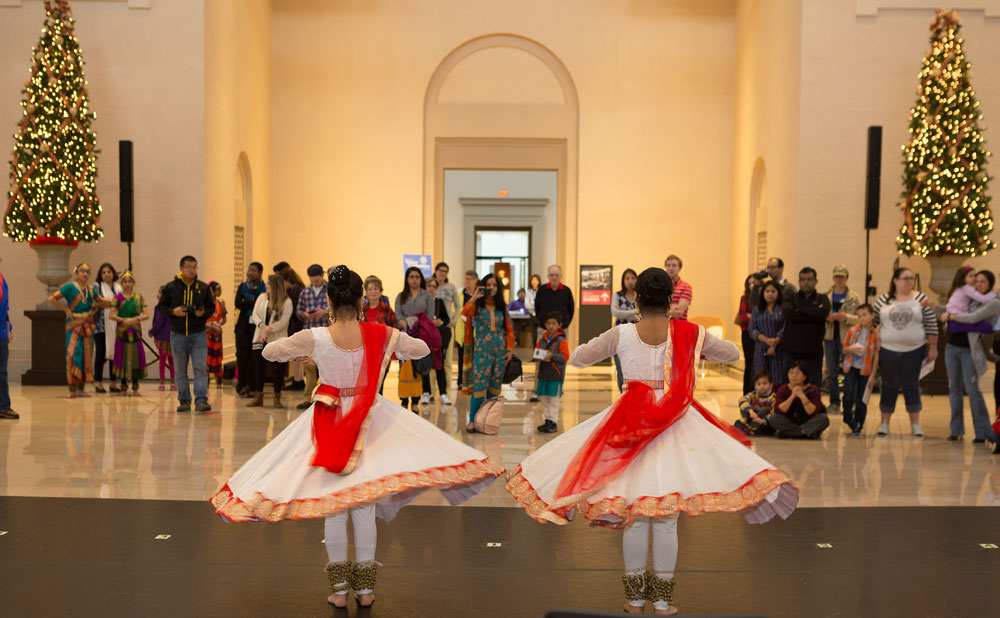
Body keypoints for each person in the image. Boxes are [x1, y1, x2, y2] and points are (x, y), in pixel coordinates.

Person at [506, 267, 797, 616]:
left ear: (637, 299)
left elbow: (580, 357)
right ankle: (662, 603)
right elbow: (734, 354)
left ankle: (634, 601)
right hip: (676, 426)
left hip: (630, 425)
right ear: (671, 299)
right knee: (666, 517)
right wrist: (695, 342)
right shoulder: (690, 333)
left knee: (635, 513)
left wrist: (615, 339)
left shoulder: (623, 333)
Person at [210, 265, 505, 608]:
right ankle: (365, 591)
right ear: (362, 300)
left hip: (329, 422)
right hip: (371, 420)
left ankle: (339, 591)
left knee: (335, 508)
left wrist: (306, 353)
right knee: (363, 507)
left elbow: (268, 352)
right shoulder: (382, 333)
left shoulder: (317, 336)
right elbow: (424, 349)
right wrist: (389, 349)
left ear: (331, 301)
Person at [872, 267, 938, 437]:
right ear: (895, 280)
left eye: (911, 278)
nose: (909, 281)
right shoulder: (883, 300)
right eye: (905, 278)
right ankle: (884, 423)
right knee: (888, 386)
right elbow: (873, 323)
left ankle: (915, 424)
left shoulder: (920, 299)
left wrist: (933, 346)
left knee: (911, 386)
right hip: (888, 350)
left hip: (914, 350)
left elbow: (931, 323)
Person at [940, 270, 1000, 445]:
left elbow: (974, 320)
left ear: (989, 284)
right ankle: (956, 430)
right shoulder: (971, 298)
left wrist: (952, 318)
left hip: (970, 351)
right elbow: (953, 315)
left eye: (982, 281)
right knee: (954, 389)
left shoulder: (993, 302)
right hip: (952, 347)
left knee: (973, 391)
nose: (978, 284)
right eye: (977, 281)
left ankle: (982, 432)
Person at [158, 255, 215, 413]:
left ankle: (201, 400)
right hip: (178, 333)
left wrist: (202, 314)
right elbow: (161, 308)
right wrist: (173, 311)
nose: (191, 270)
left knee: (200, 368)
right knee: (180, 369)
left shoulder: (203, 288)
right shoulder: (171, 287)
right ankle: (184, 400)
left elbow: (211, 308)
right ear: (181, 268)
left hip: (198, 333)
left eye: (194, 267)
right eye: (188, 267)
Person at [462, 273, 515, 432]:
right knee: (479, 385)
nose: (492, 288)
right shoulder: (477, 306)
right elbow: (465, 313)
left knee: (494, 386)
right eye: (489, 285)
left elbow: (509, 330)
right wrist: (474, 297)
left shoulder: (502, 307)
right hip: (481, 351)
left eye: (494, 285)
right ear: (483, 287)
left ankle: (488, 420)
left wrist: (510, 350)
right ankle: (472, 421)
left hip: (499, 352)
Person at [48, 262, 108, 398]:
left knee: (86, 357)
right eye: (82, 271)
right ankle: (72, 390)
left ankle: (81, 389)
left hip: (87, 326)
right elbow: (52, 298)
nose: (85, 274)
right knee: (73, 356)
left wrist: (115, 301)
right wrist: (65, 309)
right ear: (76, 273)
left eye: (88, 271)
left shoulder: (91, 290)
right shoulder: (70, 287)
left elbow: (102, 301)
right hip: (74, 325)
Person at [780, 267, 830, 393]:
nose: (806, 282)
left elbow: (822, 314)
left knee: (813, 386)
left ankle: (812, 411)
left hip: (813, 350)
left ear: (816, 281)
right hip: (791, 349)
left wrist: (799, 310)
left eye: (809, 279)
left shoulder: (822, 299)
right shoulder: (791, 297)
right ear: (799, 281)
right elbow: (788, 315)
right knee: (787, 384)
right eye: (802, 280)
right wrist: (812, 312)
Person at [248, 274, 293, 408]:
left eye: (268, 283)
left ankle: (277, 397)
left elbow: (284, 321)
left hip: (277, 339)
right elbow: (255, 314)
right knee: (259, 368)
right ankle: (258, 397)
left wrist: (269, 330)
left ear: (275, 286)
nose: (266, 285)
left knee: (278, 369)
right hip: (260, 337)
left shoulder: (287, 301)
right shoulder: (262, 297)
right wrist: (263, 327)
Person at [395, 267, 435, 411]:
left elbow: (430, 316)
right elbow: (398, 315)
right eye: (411, 277)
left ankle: (416, 400)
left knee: (419, 368)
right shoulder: (401, 296)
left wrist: (418, 324)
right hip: (404, 336)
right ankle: (404, 400)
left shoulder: (427, 296)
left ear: (421, 279)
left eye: (417, 277)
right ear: (407, 279)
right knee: (404, 369)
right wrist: (403, 322)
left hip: (421, 336)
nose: (414, 279)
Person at [823, 265, 860, 414]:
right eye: (836, 277)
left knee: (849, 371)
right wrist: (827, 318)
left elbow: (860, 318)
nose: (839, 280)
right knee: (831, 372)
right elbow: (820, 315)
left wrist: (846, 318)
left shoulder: (854, 297)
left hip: (847, 339)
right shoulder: (826, 296)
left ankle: (849, 402)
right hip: (830, 337)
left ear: (846, 278)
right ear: (833, 278)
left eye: (842, 277)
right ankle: (834, 402)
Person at [840, 303, 879, 436]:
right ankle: (847, 417)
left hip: (866, 370)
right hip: (851, 367)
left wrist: (873, 375)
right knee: (848, 392)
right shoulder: (853, 331)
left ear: (872, 315)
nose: (862, 318)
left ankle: (858, 424)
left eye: (865, 315)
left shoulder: (876, 334)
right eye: (859, 316)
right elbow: (844, 349)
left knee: (862, 398)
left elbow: (876, 356)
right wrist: (851, 349)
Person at [768, 361, 829, 439]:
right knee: (774, 419)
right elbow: (779, 410)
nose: (793, 376)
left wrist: (802, 396)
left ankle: (790, 433)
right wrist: (792, 396)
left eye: (797, 373)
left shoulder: (813, 389)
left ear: (804, 376)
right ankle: (805, 433)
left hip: (808, 420)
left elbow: (813, 412)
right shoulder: (783, 389)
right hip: (790, 422)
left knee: (824, 419)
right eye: (791, 372)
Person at [109, 271, 148, 394]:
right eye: (125, 282)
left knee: (136, 357)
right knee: (122, 356)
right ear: (122, 283)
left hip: (135, 331)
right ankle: (124, 385)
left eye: (129, 281)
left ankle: (135, 386)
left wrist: (135, 319)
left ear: (133, 283)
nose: (127, 284)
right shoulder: (117, 298)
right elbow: (111, 315)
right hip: (122, 331)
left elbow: (146, 314)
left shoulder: (139, 297)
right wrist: (123, 320)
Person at [296, 264, 329, 409]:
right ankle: (308, 398)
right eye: (312, 281)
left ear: (322, 276)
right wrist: (304, 314)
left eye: (316, 280)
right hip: (310, 332)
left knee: (326, 366)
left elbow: (335, 307)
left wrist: (324, 311)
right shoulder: (305, 291)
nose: (314, 283)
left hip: (326, 332)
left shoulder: (330, 289)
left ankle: (326, 397)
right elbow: (299, 310)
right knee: (308, 367)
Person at [361, 275, 397, 396]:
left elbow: (394, 330)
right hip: (365, 353)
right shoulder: (362, 310)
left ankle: (378, 410)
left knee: (379, 385)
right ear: (366, 291)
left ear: (381, 291)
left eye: (376, 288)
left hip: (382, 352)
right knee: (368, 386)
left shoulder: (387, 310)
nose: (373, 292)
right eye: (370, 289)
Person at [534, 311, 569, 434]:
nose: (551, 326)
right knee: (544, 398)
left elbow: (565, 357)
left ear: (559, 325)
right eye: (548, 323)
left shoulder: (561, 340)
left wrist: (552, 355)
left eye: (554, 323)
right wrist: (539, 355)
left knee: (554, 400)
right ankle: (547, 420)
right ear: (545, 325)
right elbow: (537, 352)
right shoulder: (542, 339)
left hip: (555, 375)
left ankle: (553, 422)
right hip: (543, 374)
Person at [234, 262, 266, 397]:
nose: (250, 272)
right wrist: (251, 303)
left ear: (260, 273)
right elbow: (237, 303)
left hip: (257, 324)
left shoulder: (264, 289)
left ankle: (254, 386)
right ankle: (243, 384)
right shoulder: (242, 287)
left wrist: (246, 303)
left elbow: (262, 306)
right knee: (242, 355)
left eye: (254, 270)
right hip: (243, 324)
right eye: (250, 270)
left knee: (255, 356)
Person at [749, 280, 785, 385]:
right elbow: (752, 329)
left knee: (777, 377)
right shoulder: (757, 310)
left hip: (779, 348)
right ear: (763, 293)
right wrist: (767, 340)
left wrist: (775, 341)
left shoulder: (782, 309)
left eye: (773, 291)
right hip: (761, 347)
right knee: (761, 376)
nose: (770, 294)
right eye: (767, 291)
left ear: (778, 293)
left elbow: (785, 327)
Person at [423, 278, 453, 405]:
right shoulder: (421, 302)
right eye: (429, 286)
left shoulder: (439, 302)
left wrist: (440, 321)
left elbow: (446, 319)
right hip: (425, 339)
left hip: (437, 339)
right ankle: (426, 393)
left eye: (434, 286)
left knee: (439, 366)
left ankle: (443, 394)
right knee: (425, 367)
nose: (431, 289)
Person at [94, 262, 122, 393]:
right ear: (100, 275)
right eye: (103, 272)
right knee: (100, 353)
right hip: (100, 325)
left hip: (116, 324)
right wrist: (113, 303)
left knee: (114, 354)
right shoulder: (96, 286)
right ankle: (98, 382)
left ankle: (113, 382)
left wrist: (107, 303)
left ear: (113, 273)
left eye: (109, 272)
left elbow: (124, 302)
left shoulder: (118, 287)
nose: (106, 274)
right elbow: (95, 303)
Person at [433, 262, 460, 395]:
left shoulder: (451, 287)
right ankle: (431, 393)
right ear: (436, 271)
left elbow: (458, 306)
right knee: (431, 361)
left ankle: (447, 392)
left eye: (445, 271)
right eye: (440, 270)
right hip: (431, 328)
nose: (442, 273)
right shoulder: (430, 285)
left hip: (447, 327)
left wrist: (453, 321)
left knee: (447, 361)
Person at [611, 268, 639, 393]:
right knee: (621, 368)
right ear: (623, 281)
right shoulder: (617, 295)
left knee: (635, 369)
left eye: (633, 278)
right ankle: (623, 397)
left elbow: (644, 314)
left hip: (637, 337)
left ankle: (633, 396)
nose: (630, 281)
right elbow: (615, 312)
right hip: (619, 337)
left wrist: (625, 314)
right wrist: (635, 313)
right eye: (627, 278)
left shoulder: (641, 297)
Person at [279, 266, 307, 391]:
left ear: (287, 279)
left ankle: (298, 381)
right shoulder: (298, 288)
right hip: (296, 326)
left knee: (297, 356)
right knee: (297, 356)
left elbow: (295, 310)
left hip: (297, 326)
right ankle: (298, 380)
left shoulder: (296, 290)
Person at [734, 274, 758, 395]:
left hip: (760, 335)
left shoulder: (762, 298)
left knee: (758, 363)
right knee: (749, 362)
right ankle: (747, 391)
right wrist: (756, 316)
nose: (752, 285)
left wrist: (752, 315)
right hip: (747, 333)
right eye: (750, 283)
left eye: (754, 283)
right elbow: (743, 316)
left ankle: (759, 390)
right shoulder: (745, 298)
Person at [455, 270, 479, 390]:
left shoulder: (479, 295)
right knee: (462, 356)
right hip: (463, 329)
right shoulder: (460, 294)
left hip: (476, 329)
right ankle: (461, 380)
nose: (466, 281)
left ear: (475, 280)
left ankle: (474, 380)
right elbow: (455, 310)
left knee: (475, 356)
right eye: (465, 279)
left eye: (469, 279)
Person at [534, 265, 575, 335]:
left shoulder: (567, 291)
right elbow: (537, 308)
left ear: (561, 276)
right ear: (548, 276)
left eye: (556, 275)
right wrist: (542, 323)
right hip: (543, 329)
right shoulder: (541, 290)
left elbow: (571, 310)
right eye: (551, 275)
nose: (554, 277)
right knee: (541, 346)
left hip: (562, 329)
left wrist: (565, 324)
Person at [149, 286, 175, 391]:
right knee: (172, 360)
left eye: (159, 292)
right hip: (171, 337)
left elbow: (159, 323)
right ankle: (173, 383)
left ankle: (162, 382)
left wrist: (152, 331)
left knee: (162, 360)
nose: (157, 294)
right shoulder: (172, 307)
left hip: (162, 337)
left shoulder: (160, 307)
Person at [735, 370, 775, 436]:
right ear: (755, 386)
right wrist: (750, 411)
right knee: (744, 404)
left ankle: (749, 428)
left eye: (765, 383)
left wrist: (763, 420)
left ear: (771, 385)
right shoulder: (754, 394)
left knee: (764, 410)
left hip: (763, 421)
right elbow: (741, 400)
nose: (762, 386)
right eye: (759, 384)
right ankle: (744, 423)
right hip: (752, 417)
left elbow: (774, 412)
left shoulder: (773, 397)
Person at [0, 256, 15, 419]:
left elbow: (6, 307)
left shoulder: (2, 280)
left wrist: (8, 327)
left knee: (2, 372)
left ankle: (4, 406)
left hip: (1, 332)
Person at [206, 281, 227, 387]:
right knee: (207, 356)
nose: (220, 291)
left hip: (217, 333)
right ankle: (206, 379)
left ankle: (219, 379)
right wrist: (210, 326)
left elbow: (224, 318)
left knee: (218, 356)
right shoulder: (206, 303)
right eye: (217, 289)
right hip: (208, 332)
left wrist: (218, 324)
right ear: (212, 291)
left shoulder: (221, 302)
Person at [663, 255, 691, 320]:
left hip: (680, 326)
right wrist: (673, 308)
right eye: (668, 265)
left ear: (680, 268)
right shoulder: (661, 286)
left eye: (674, 265)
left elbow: (679, 312)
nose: (671, 268)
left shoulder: (686, 287)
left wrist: (662, 310)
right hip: (663, 326)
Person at [526, 273, 542, 349]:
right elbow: (527, 305)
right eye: (532, 280)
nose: (534, 282)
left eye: (536, 280)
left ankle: (540, 354)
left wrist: (533, 304)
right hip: (532, 315)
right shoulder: (528, 292)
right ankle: (534, 354)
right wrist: (534, 305)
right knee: (534, 336)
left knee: (540, 335)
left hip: (540, 316)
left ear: (539, 281)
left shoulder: (542, 291)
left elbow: (541, 304)